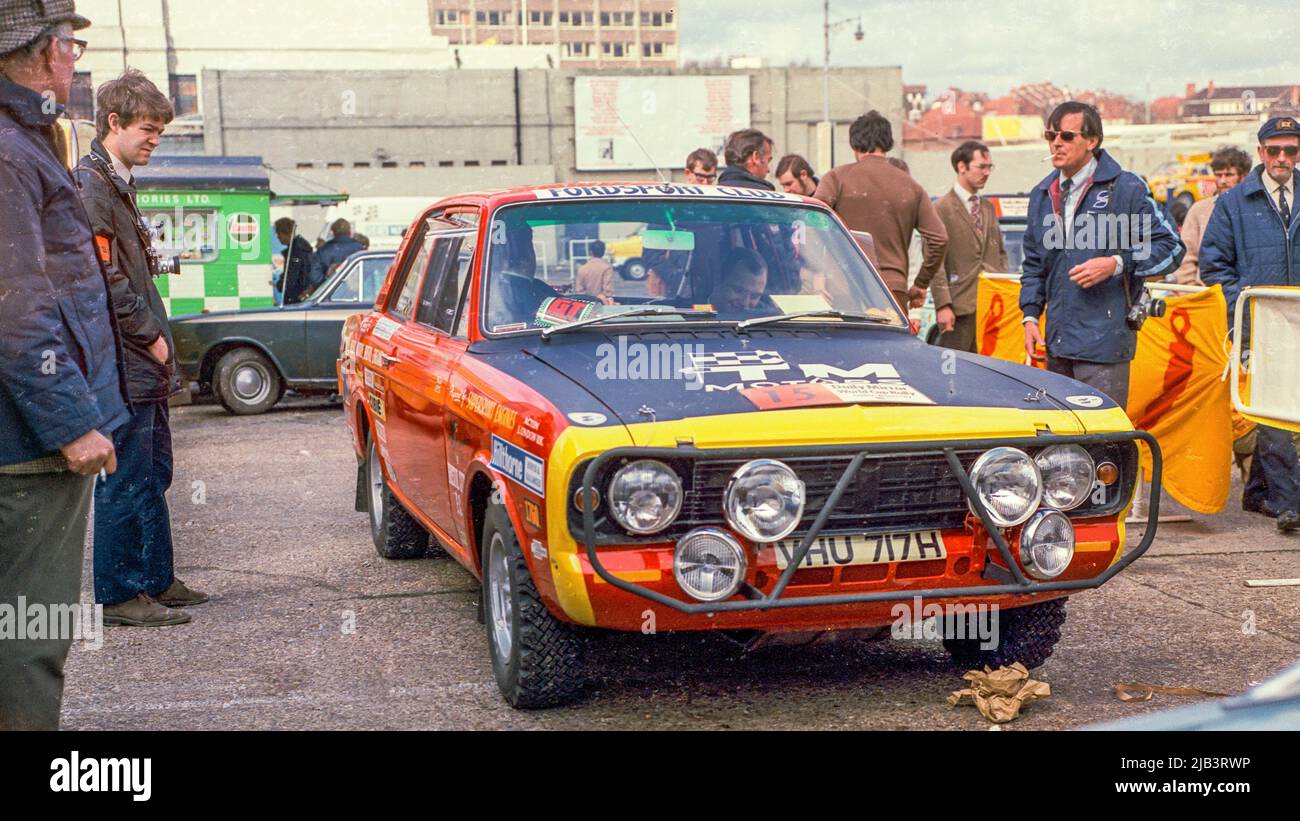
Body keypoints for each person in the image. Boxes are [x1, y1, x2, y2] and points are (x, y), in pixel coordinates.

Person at [0, 0, 128, 729]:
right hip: (28, 448)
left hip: (24, 438)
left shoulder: (27, 141)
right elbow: (15, 301)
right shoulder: (12, 152)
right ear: (48, 52)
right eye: (70, 47)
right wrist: (73, 420)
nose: (76, 62)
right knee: (29, 630)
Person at [75, 68, 208, 626]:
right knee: (127, 475)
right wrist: (150, 335)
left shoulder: (113, 183)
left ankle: (155, 579)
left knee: (152, 471)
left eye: (160, 131)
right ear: (115, 122)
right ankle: (119, 594)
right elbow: (104, 278)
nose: (156, 139)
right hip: (123, 360)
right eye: (148, 129)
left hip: (135, 361)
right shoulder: (92, 187)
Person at [1020, 101, 1183, 408]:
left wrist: (1116, 264)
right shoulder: (1042, 194)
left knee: (1103, 444)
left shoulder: (1127, 188)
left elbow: (1171, 247)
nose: (1056, 143)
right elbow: (1033, 263)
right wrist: (1029, 316)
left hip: (1105, 347)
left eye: (1066, 136)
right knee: (1062, 446)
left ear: (1092, 141)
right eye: (1050, 135)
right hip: (1057, 345)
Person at [1201, 116, 1300, 531]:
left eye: (1290, 150)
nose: (1281, 158)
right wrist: (1243, 310)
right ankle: (1289, 503)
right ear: (1260, 152)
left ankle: (1260, 491)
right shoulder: (1233, 203)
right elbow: (1214, 266)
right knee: (1275, 416)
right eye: (1273, 150)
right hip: (1264, 324)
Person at [814, 110, 947, 312]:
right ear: (888, 143)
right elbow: (939, 239)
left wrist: (818, 272)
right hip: (892, 289)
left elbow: (811, 220)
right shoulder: (911, 185)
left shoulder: (836, 178)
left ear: (854, 144)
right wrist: (921, 283)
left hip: (844, 287)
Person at [914, 140, 1007, 352]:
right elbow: (934, 263)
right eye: (981, 167)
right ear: (961, 167)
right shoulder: (941, 209)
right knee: (954, 372)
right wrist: (943, 305)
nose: (987, 173)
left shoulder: (987, 208)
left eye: (989, 167)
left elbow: (999, 252)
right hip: (958, 309)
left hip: (991, 307)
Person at [1173, 146, 1251, 285]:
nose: (1222, 181)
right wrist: (1190, 288)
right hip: (1206, 292)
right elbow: (1187, 254)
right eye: (1218, 175)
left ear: (1244, 176)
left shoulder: (1254, 207)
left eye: (1228, 175)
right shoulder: (1199, 210)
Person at [309, 217, 365, 293]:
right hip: (356, 295)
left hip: (329, 297)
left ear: (333, 232)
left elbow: (315, 277)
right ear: (350, 232)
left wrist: (329, 282)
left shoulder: (323, 251)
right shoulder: (360, 249)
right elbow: (367, 272)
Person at [275, 217, 314, 304]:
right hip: (302, 294)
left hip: (295, 297)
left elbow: (292, 275)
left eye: (278, 233)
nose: (277, 237)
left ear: (285, 233)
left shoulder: (294, 252)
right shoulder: (303, 247)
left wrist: (280, 284)